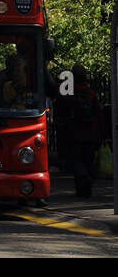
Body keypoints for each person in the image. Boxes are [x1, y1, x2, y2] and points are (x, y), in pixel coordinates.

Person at [55, 65, 105, 198]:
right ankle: (86, 190)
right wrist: (101, 133)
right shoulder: (91, 93)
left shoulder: (69, 92)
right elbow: (99, 114)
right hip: (91, 132)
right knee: (87, 160)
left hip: (75, 132)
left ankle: (82, 183)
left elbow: (60, 108)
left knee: (76, 160)